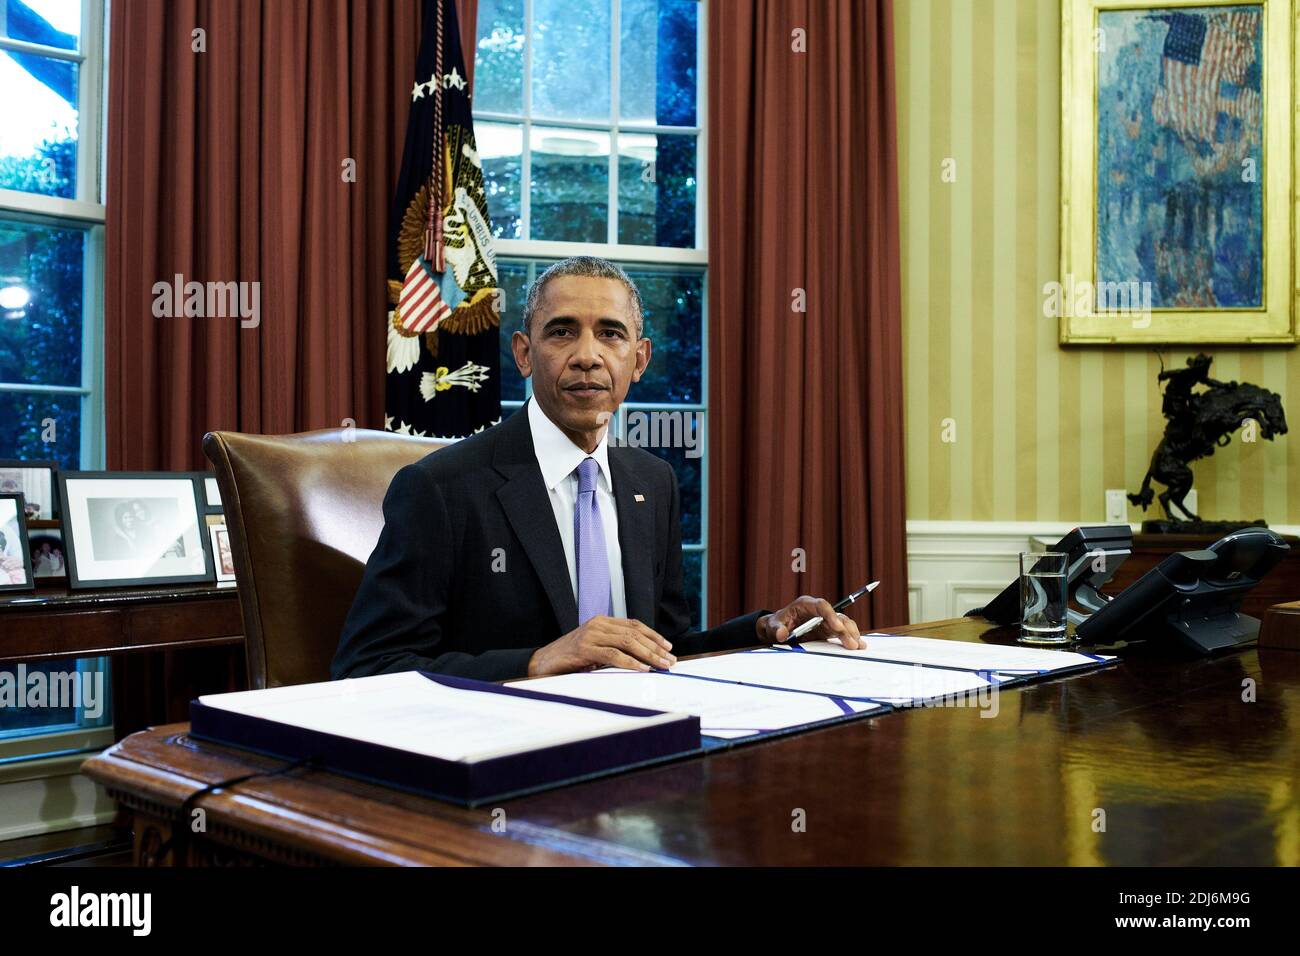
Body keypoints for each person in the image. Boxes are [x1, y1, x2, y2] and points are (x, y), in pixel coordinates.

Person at [333, 256, 863, 682]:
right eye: (562, 332)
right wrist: (534, 662)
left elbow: (664, 650)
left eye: (610, 334)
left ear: (640, 359)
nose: (587, 356)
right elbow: (367, 670)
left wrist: (767, 630)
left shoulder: (652, 482)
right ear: (523, 354)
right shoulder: (439, 488)